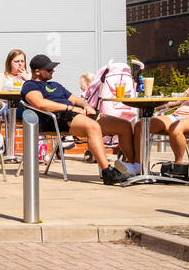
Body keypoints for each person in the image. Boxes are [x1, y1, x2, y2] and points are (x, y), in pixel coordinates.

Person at [19, 54, 135, 184]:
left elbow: (75, 99)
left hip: (75, 114)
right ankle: (107, 172)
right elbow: (41, 104)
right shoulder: (30, 85)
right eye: (49, 69)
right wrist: (70, 108)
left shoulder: (56, 85)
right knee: (93, 127)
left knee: (124, 125)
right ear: (37, 71)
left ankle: (134, 167)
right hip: (56, 118)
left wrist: (86, 105)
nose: (53, 71)